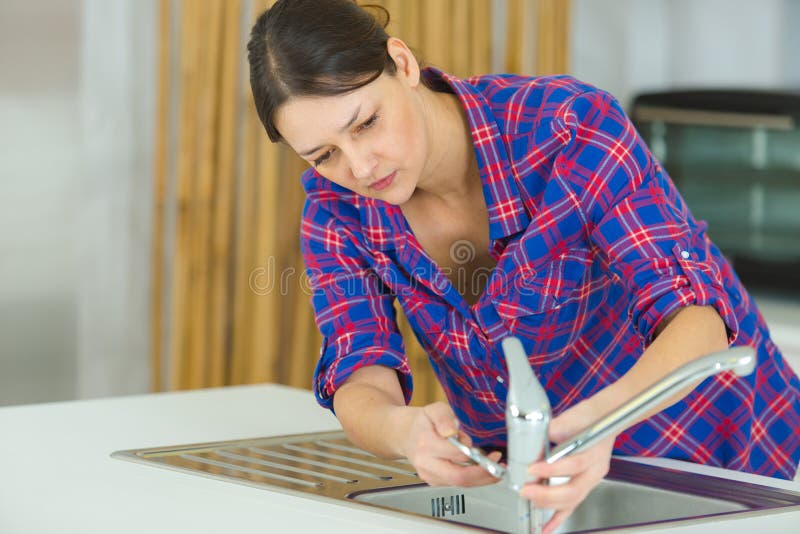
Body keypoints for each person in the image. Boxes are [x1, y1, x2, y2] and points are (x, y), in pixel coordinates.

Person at [247, 1, 800, 531]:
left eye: (366, 123)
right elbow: (358, 364)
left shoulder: (568, 127)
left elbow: (698, 319)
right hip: (540, 486)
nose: (360, 167)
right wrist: (402, 430)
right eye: (324, 155)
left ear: (404, 64)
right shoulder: (335, 210)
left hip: (712, 451)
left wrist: (595, 426)